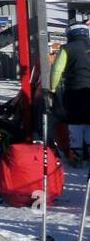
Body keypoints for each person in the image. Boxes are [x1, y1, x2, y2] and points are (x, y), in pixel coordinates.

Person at [49, 23, 90, 163]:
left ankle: (76, 157)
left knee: (76, 123)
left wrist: (53, 88)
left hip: (75, 91)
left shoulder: (67, 48)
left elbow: (57, 70)